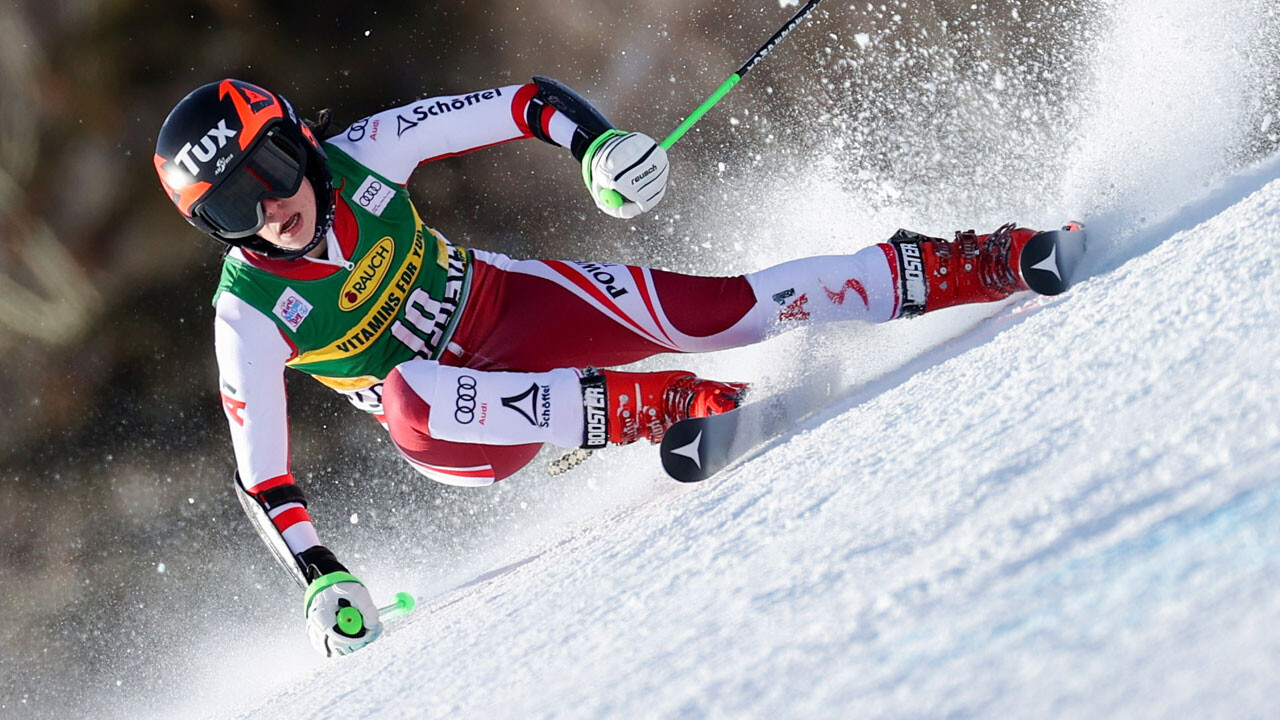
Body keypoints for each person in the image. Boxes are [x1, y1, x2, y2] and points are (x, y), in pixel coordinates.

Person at [154, 77, 1077, 657]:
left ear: (299, 142)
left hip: (513, 307)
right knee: (408, 393)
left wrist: (597, 148)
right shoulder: (249, 312)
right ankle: (659, 407)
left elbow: (521, 101)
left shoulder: (365, 155)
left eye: (270, 172)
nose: (270, 210)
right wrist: (321, 576)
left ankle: (978, 262)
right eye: (233, 208)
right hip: (462, 429)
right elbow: (261, 473)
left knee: (725, 310)